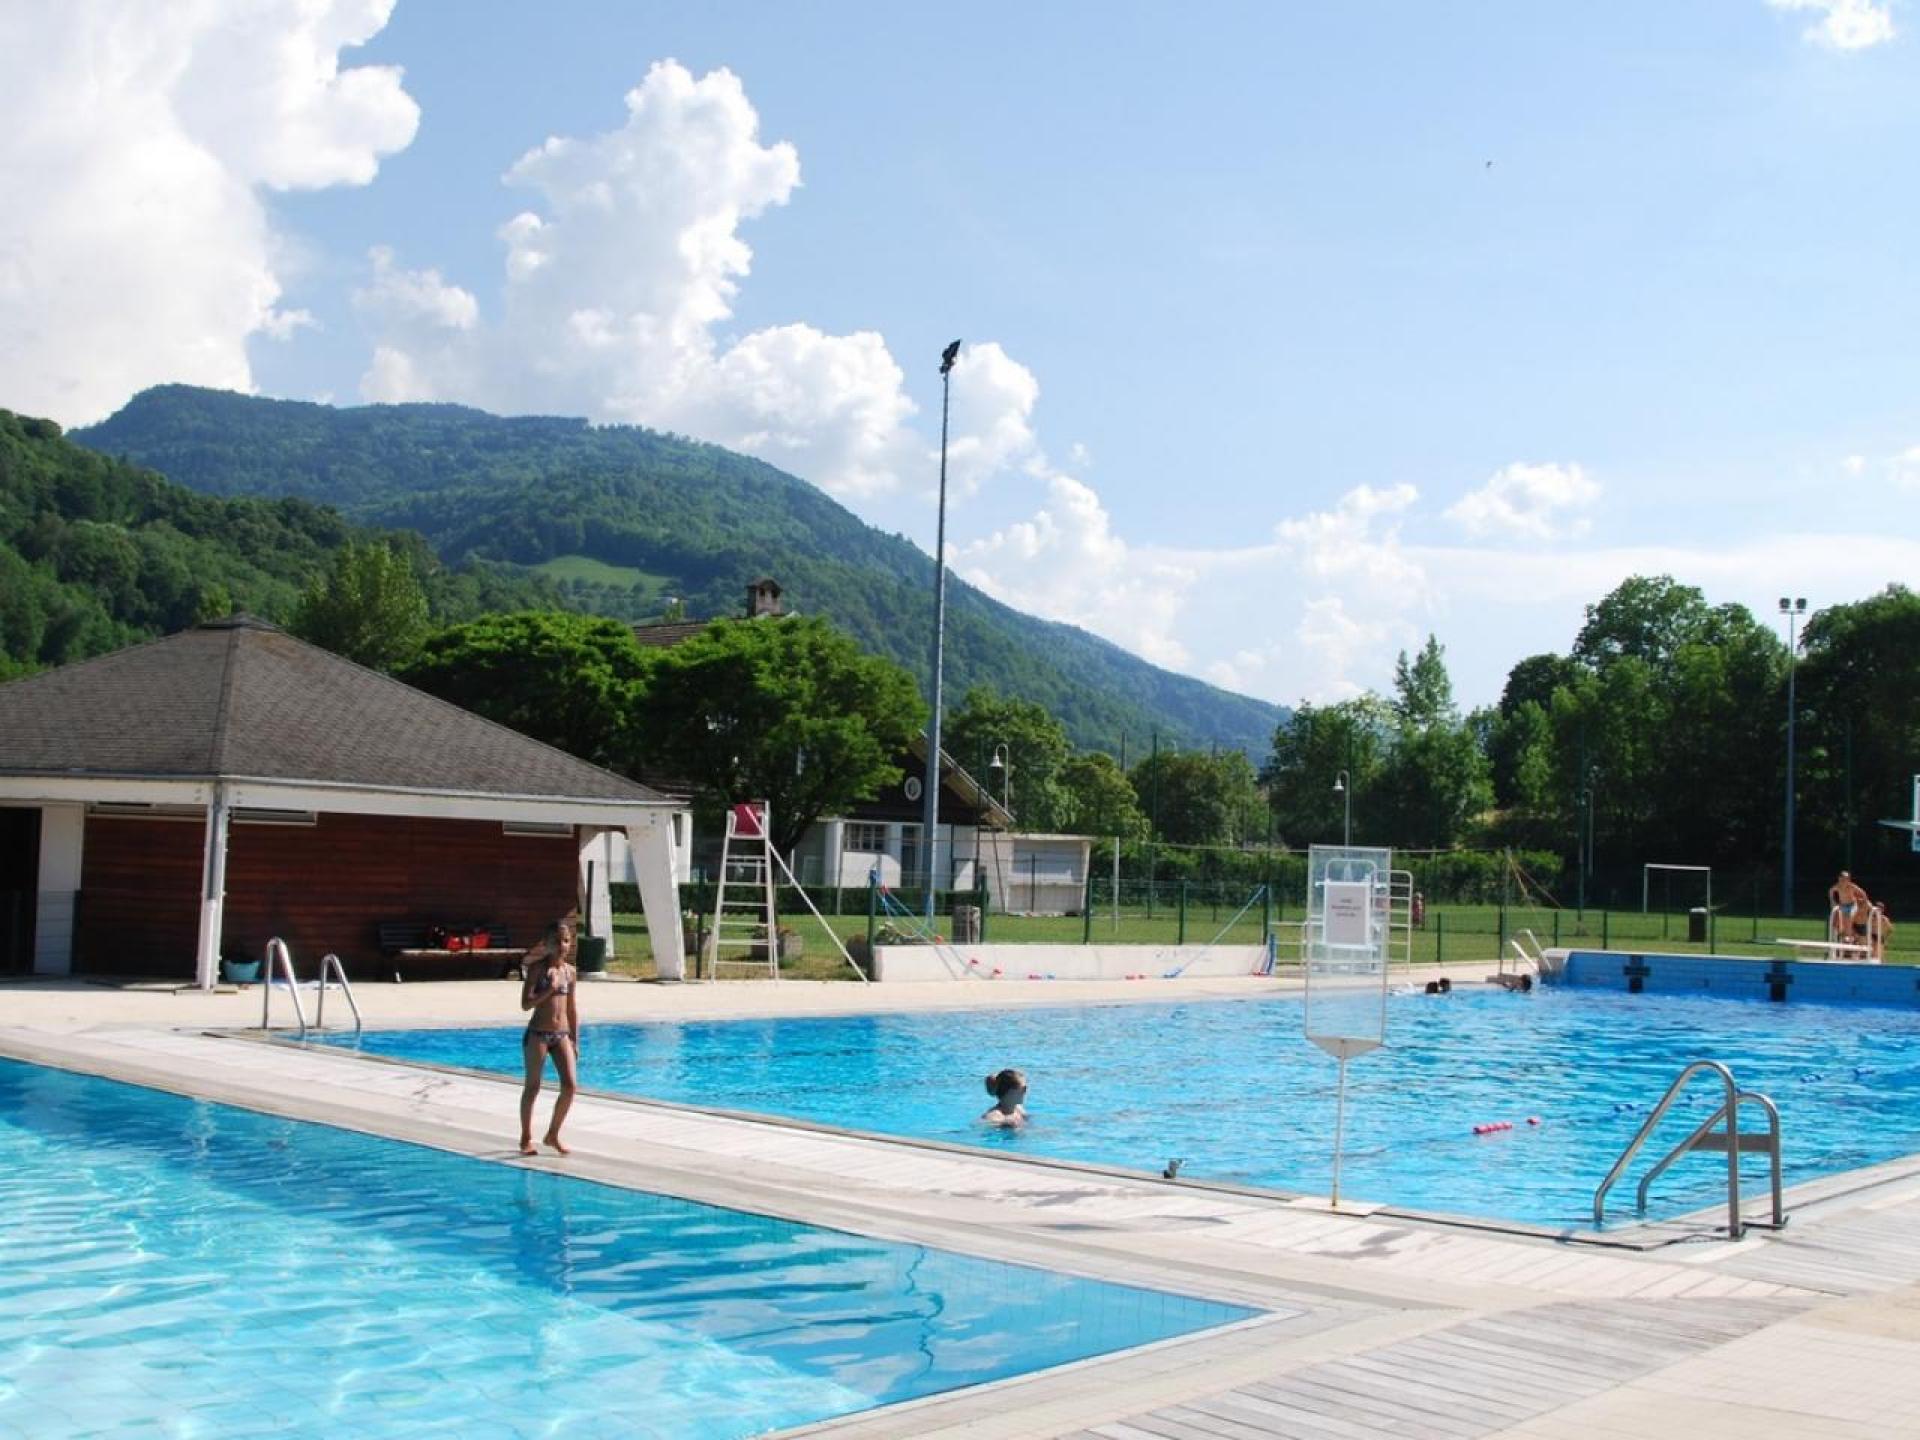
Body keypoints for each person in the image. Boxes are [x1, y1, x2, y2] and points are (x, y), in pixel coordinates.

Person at [518, 916, 580, 1156]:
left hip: (562, 1034)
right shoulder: (537, 969)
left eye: (566, 941)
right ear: (546, 944)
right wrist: (550, 989)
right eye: (557, 941)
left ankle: (553, 1133)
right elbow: (526, 1004)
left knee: (570, 1085)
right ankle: (525, 1136)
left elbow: (572, 1008)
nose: (562, 946)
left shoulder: (570, 972)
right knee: (533, 1086)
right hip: (538, 1035)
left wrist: (575, 1039)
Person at [1829, 872, 1871, 943]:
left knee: (1850, 916)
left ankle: (1850, 935)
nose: (1844, 880)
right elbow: (1831, 891)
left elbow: (1862, 892)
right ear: (1839, 879)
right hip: (1843, 906)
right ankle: (1848, 935)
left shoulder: (1851, 886)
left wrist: (1865, 900)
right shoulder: (1837, 886)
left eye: (1846, 879)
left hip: (1852, 905)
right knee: (1844, 922)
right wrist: (1832, 901)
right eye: (1842, 878)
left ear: (1848, 880)